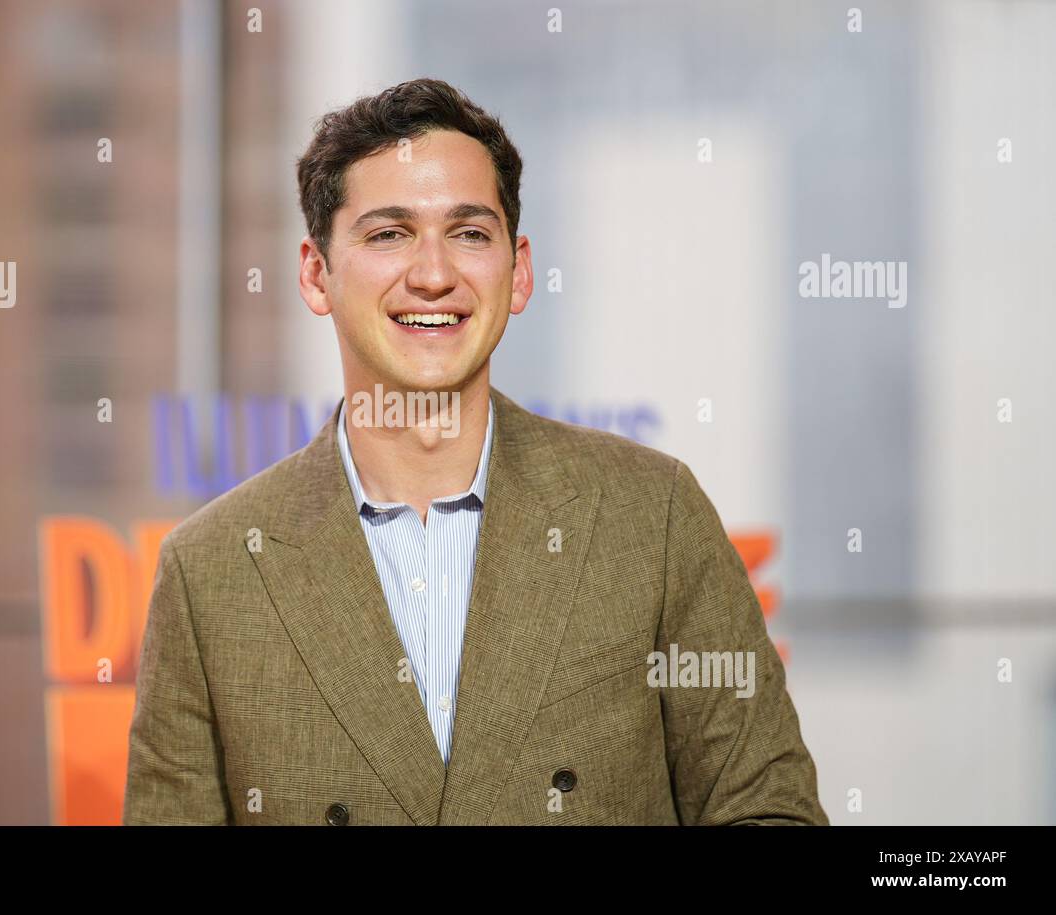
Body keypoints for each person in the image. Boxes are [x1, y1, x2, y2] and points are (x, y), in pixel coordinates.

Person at [123, 77, 827, 825]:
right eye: (388, 233)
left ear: (518, 271)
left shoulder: (651, 517)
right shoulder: (213, 572)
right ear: (315, 272)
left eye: (469, 233)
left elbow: (768, 809)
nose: (433, 274)